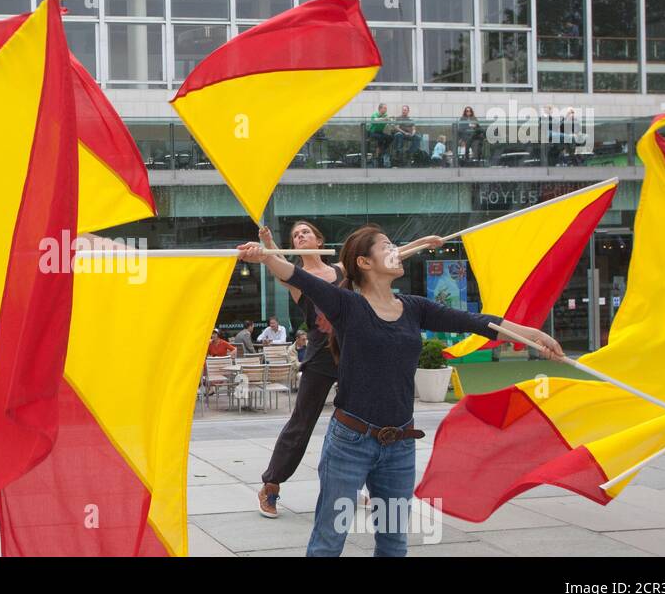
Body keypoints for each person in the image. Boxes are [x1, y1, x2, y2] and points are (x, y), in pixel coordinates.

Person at [237, 225, 563, 556]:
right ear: (364, 262)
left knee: (394, 545)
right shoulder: (345, 305)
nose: (396, 250)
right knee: (328, 542)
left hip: (400, 447)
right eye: (387, 246)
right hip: (350, 444)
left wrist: (530, 334)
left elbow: (474, 321)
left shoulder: (414, 307)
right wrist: (265, 255)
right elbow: (297, 276)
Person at [256, 223, 445, 518]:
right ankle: (271, 485)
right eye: (295, 235)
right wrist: (267, 245)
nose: (300, 236)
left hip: (354, 352)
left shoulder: (342, 268)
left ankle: (362, 487)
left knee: (368, 418)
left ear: (319, 239)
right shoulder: (296, 280)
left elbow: (386, 259)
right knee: (301, 423)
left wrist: (421, 242)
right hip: (320, 357)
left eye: (306, 232)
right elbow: (279, 266)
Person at [367, 103, 392, 168]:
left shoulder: (385, 115)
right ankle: (378, 154)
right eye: (384, 108)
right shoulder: (375, 114)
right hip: (372, 132)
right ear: (380, 109)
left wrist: (390, 120)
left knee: (390, 137)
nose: (386, 109)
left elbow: (389, 120)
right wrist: (384, 119)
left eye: (386, 108)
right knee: (381, 138)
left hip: (380, 132)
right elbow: (375, 120)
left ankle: (383, 150)